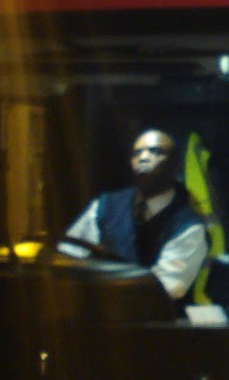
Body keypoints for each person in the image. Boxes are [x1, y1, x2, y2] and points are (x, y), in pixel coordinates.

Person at [61, 127, 209, 300]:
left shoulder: (188, 224)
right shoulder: (105, 205)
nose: (144, 158)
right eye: (137, 153)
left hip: (156, 322)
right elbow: (68, 257)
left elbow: (167, 288)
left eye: (156, 151)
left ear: (175, 163)